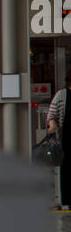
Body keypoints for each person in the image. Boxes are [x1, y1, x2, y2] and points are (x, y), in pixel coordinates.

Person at [47, 74, 71, 208]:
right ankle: (67, 200)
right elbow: (51, 115)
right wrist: (52, 125)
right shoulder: (62, 95)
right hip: (66, 140)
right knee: (67, 168)